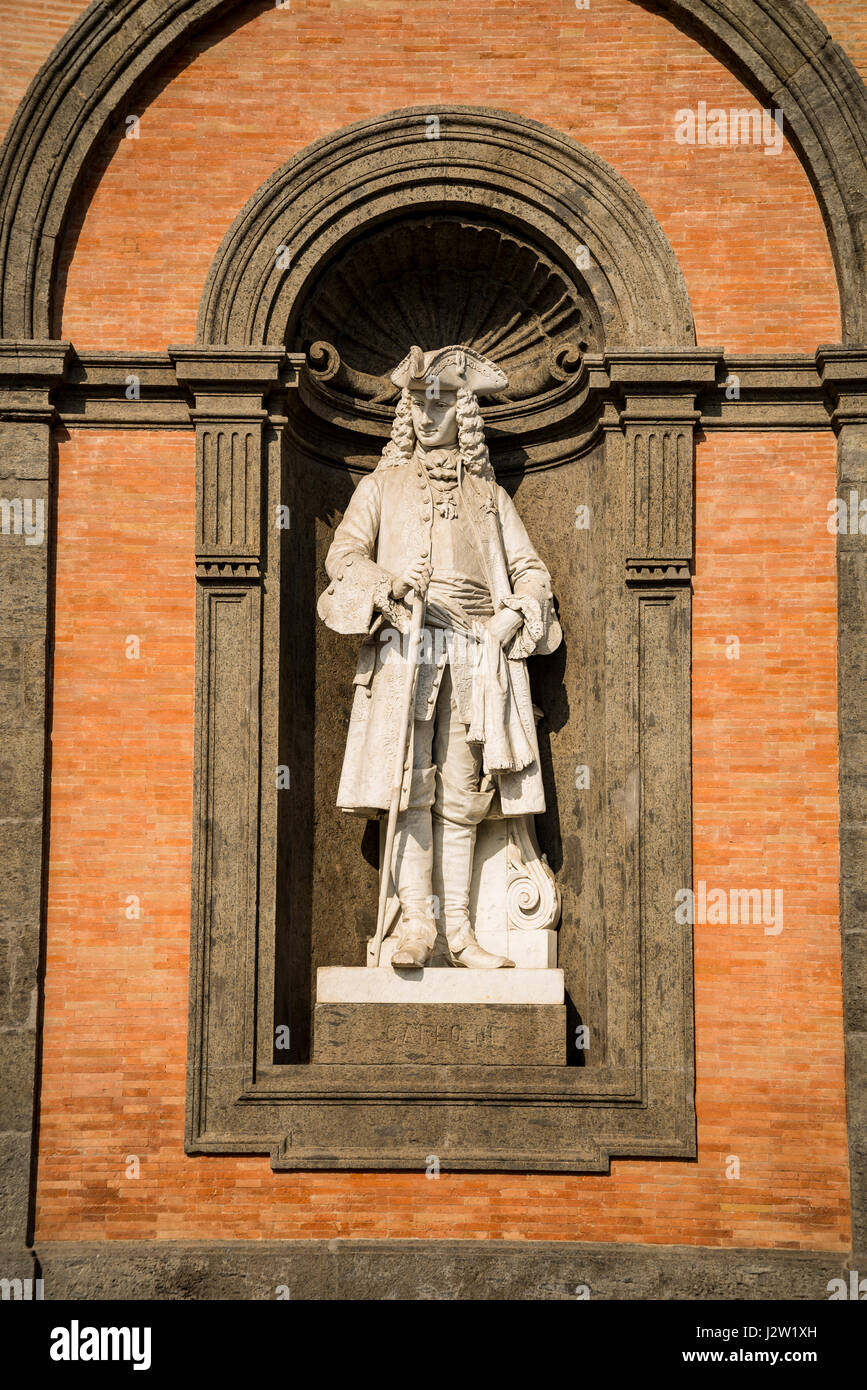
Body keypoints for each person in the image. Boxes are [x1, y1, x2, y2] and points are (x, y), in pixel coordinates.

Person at [318, 345, 561, 968]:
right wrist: (388, 583)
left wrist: (512, 616)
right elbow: (343, 557)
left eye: (443, 402)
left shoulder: (490, 497)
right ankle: (416, 925)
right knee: (407, 781)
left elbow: (532, 571)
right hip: (407, 642)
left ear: (464, 411)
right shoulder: (380, 486)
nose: (429, 415)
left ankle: (461, 932)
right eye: (420, 402)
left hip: (477, 647)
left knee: (465, 787)